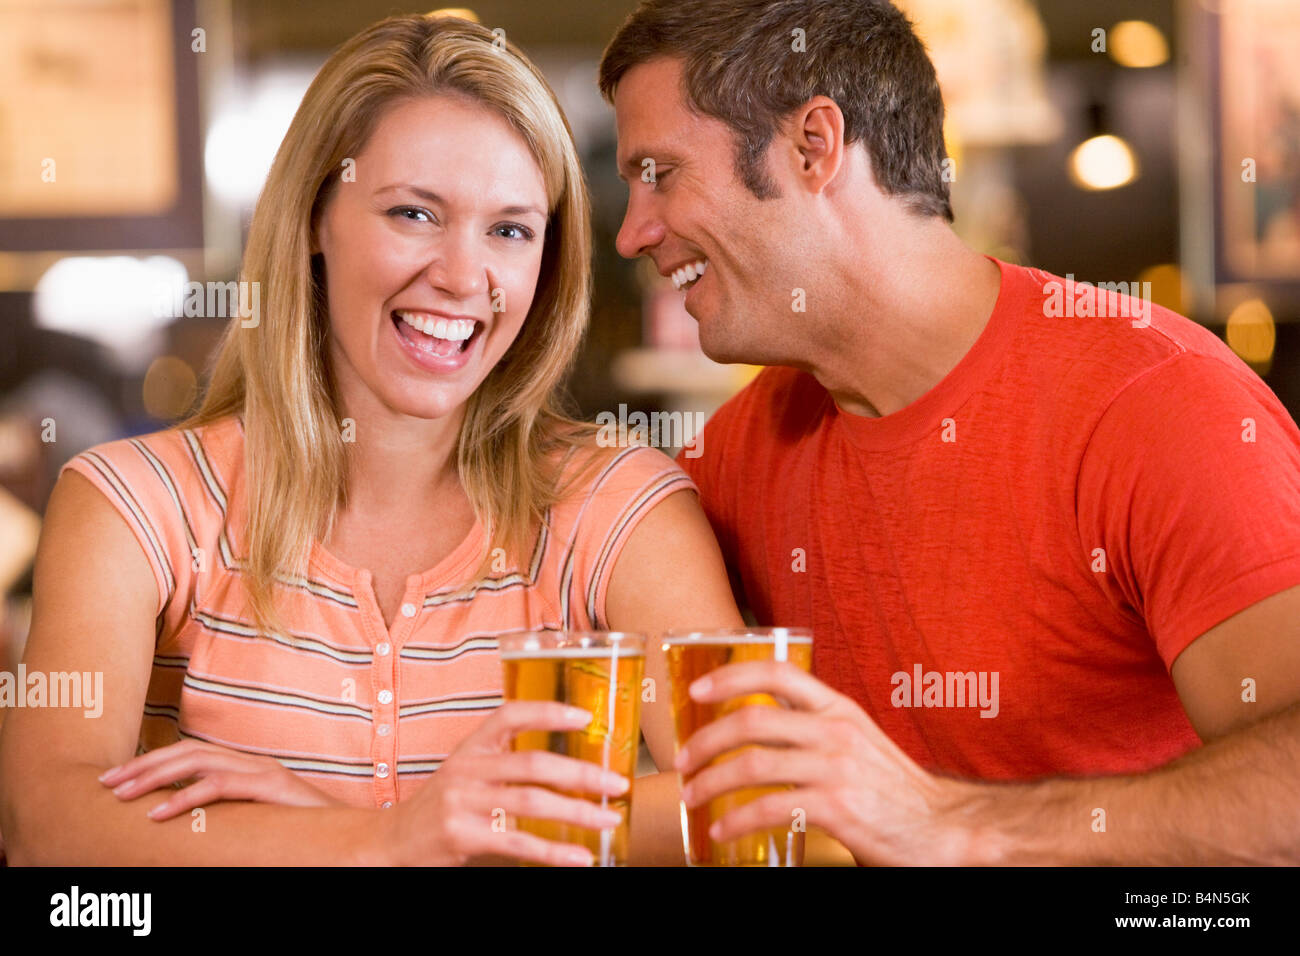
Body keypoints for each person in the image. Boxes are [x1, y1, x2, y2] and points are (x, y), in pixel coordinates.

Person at [0, 13, 742, 866]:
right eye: (414, 213)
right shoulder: (133, 503)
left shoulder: (614, 500)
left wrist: (412, 835)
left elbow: (743, 802)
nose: (465, 278)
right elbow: (44, 824)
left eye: (509, 230)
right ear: (315, 219)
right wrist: (384, 837)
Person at [600, 0, 1300, 864]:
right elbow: (740, 796)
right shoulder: (741, 451)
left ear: (813, 146)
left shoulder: (1156, 402)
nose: (634, 232)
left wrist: (953, 824)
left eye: (661, 171)